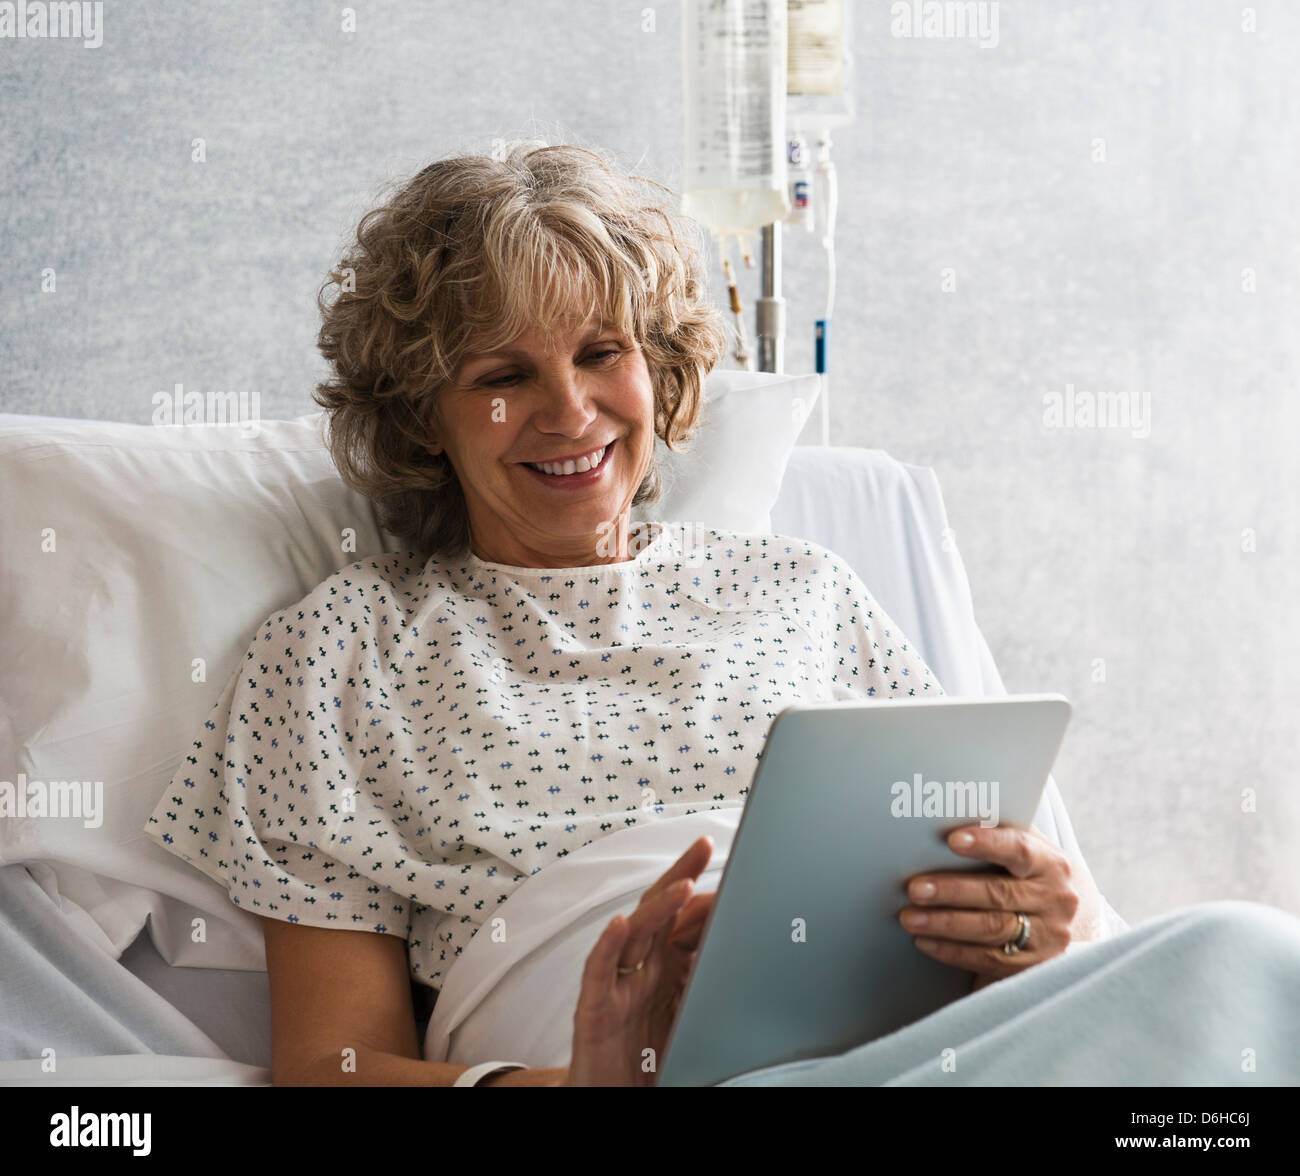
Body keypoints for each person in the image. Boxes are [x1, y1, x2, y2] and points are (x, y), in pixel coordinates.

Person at [146, 141, 1290, 1089]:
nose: (569, 411)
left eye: (603, 353)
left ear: (660, 370)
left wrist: (1068, 925)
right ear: (424, 416)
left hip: (925, 1042)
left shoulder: (804, 588)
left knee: (1246, 959)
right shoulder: (343, 649)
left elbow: (1013, 885)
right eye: (503, 373)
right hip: (624, 1074)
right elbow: (333, 1066)